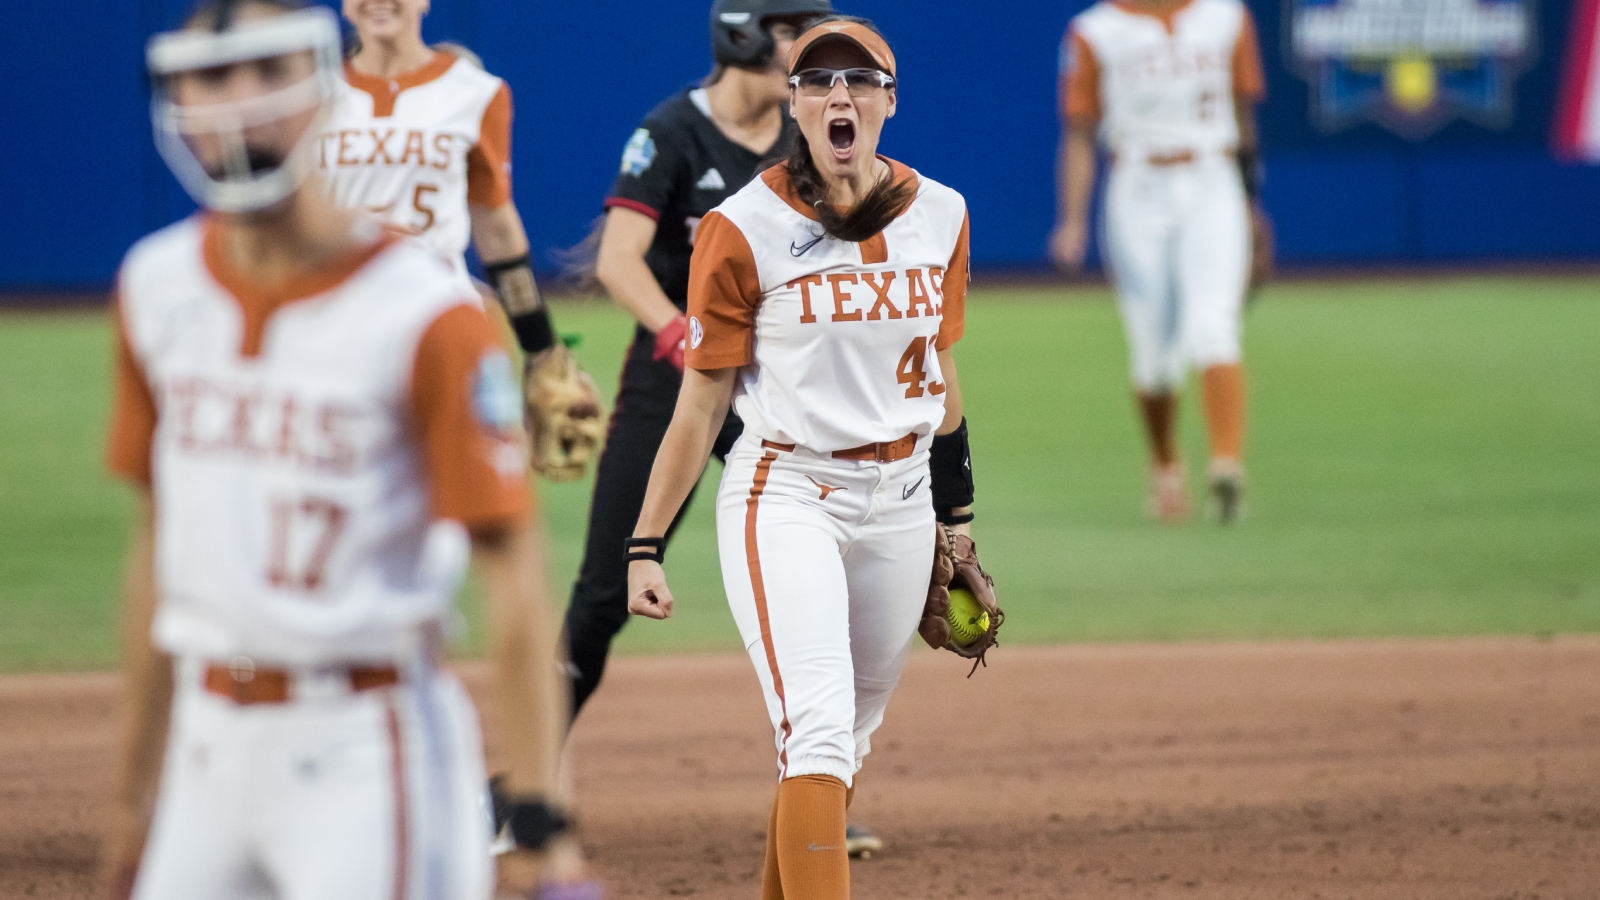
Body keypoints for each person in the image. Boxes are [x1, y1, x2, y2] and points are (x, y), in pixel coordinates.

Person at [99, 2, 598, 898]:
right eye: (212, 76)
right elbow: (155, 548)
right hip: (207, 746)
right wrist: (133, 802)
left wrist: (541, 346)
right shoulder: (156, 288)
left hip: (364, 740)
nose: (237, 105)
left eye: (265, 74)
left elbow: (497, 226)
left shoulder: (431, 305)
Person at [624, 17, 978, 898]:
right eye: (818, 82)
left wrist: (958, 524)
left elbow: (942, 376)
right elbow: (701, 402)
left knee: (842, 743)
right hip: (787, 493)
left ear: (890, 101)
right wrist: (644, 543)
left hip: (900, 500)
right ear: (795, 103)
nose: (839, 96)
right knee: (816, 730)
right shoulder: (741, 226)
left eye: (859, 80)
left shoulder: (942, 214)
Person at [323, 0, 602, 483]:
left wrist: (539, 348)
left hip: (436, 318)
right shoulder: (311, 95)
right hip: (332, 323)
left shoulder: (475, 92)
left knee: (457, 484)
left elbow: (495, 225)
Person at [1049, 0, 1271, 524]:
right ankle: (1166, 464)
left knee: (1214, 325)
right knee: (1153, 352)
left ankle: (1226, 465)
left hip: (1213, 179)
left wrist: (1252, 202)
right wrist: (1073, 220)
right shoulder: (1095, 30)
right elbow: (1079, 132)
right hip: (1137, 184)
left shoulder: (1225, 15)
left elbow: (1242, 115)